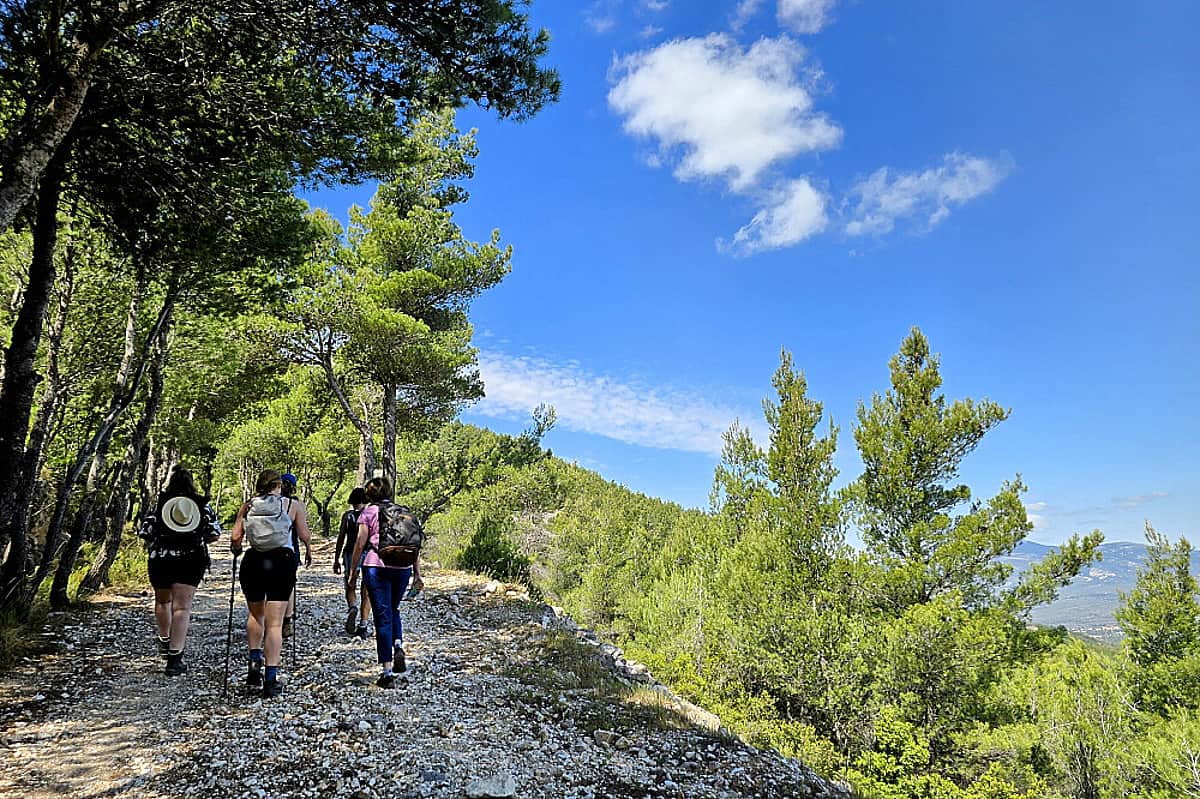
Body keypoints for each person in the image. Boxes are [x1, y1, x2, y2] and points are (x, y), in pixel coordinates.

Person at [229, 469, 311, 698]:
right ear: (278, 486)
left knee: (256, 616)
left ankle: (254, 663)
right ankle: (270, 679)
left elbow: (236, 537)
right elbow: (304, 534)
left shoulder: (248, 505)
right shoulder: (291, 505)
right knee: (274, 624)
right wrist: (308, 548)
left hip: (254, 561)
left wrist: (236, 548)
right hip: (282, 563)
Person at [139, 465, 221, 676]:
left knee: (162, 601)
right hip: (191, 559)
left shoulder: (160, 504)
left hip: (160, 559)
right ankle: (175, 660)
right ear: (191, 483)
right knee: (182, 608)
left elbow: (145, 531)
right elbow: (214, 534)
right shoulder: (202, 505)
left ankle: (165, 639)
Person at [349, 476, 412, 688]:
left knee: (382, 617)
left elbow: (359, 544)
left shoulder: (368, 512)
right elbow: (413, 543)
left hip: (377, 566)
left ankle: (387, 672)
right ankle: (398, 644)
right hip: (403, 567)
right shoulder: (403, 511)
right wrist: (418, 574)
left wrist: (353, 571)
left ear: (369, 494)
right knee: (393, 609)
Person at [334, 486, 371, 637]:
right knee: (366, 590)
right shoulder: (371, 515)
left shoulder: (347, 516)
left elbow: (341, 537)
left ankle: (353, 607)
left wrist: (336, 559)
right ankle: (363, 624)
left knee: (350, 584)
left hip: (350, 552)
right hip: (368, 553)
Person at [279, 472, 312, 637]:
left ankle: (269, 618)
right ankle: (287, 620)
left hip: (265, 549)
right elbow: (304, 533)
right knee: (289, 585)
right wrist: (309, 550)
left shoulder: (267, 503)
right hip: (290, 550)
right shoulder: (295, 504)